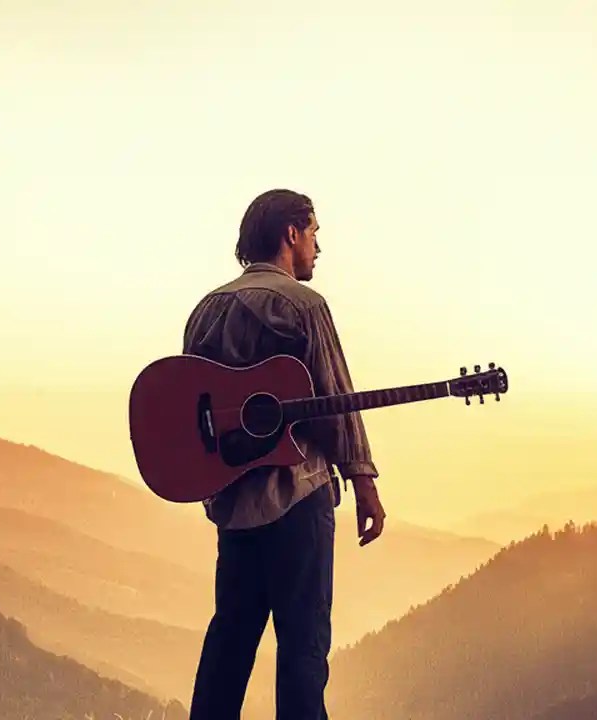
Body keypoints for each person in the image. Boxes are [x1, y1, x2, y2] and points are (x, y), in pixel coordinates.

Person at [184, 188, 387, 719]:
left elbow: (188, 406)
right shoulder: (305, 305)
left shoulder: (207, 310)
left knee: (230, 637)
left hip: (235, 506)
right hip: (299, 497)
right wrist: (364, 483)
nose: (319, 247)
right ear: (290, 234)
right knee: (302, 647)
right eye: (315, 232)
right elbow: (335, 400)